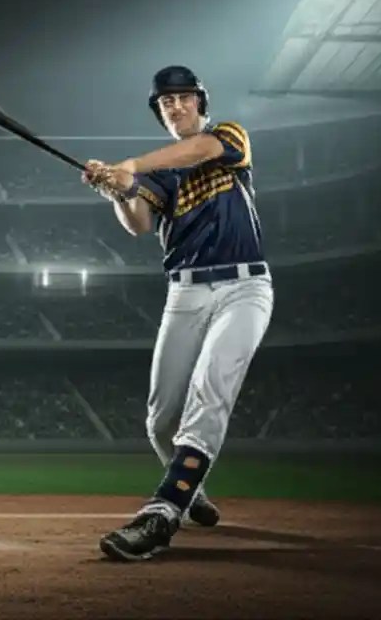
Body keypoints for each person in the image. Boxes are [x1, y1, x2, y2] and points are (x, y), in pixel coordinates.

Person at [83, 66, 274, 561]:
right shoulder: (160, 175)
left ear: (199, 102)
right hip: (184, 292)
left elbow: (200, 152)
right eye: (166, 101)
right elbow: (139, 224)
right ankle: (192, 490)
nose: (175, 105)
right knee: (160, 417)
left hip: (244, 286)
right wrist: (119, 190)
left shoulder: (227, 136)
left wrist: (129, 164)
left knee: (211, 391)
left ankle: (163, 511)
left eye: (183, 97)